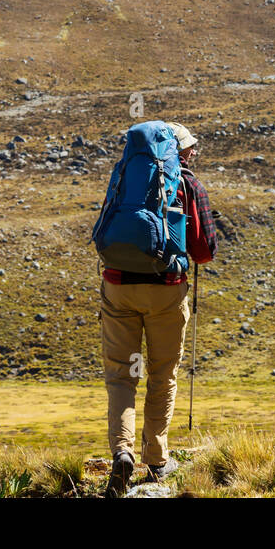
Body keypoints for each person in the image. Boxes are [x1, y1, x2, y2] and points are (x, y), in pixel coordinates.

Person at [100, 123, 218, 498]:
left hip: (118, 287)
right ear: (178, 151)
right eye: (191, 148)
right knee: (162, 373)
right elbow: (204, 251)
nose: (194, 153)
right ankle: (156, 457)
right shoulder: (186, 184)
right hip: (166, 291)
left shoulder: (124, 177)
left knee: (122, 375)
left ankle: (122, 452)